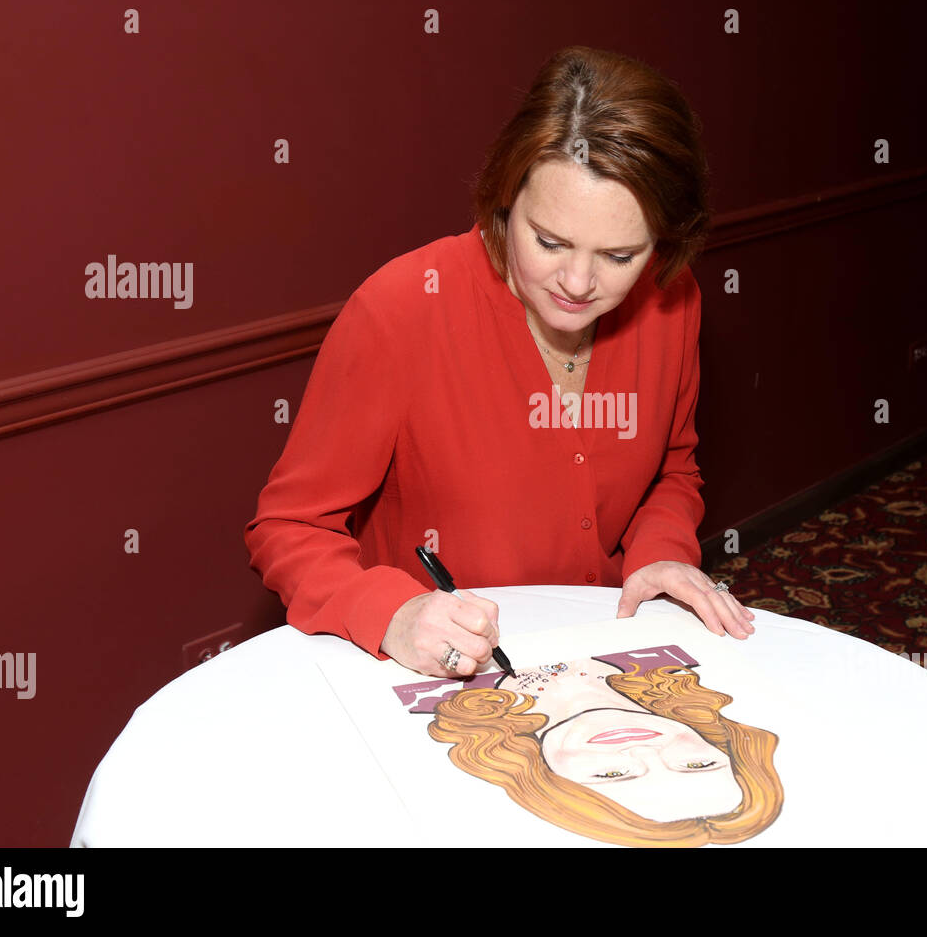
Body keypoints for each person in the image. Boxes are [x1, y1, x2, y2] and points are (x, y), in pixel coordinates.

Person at [244, 45, 755, 679]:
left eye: (620, 255)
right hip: (422, 674)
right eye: (549, 242)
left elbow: (672, 473)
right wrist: (391, 613)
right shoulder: (400, 310)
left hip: (601, 653)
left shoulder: (671, 302)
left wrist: (660, 553)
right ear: (504, 199)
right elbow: (289, 526)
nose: (577, 281)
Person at [426, 655, 783, 846]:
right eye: (697, 763)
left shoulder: (433, 696)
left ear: (545, 780)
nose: (642, 752)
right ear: (721, 745)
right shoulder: (662, 658)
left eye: (612, 774)